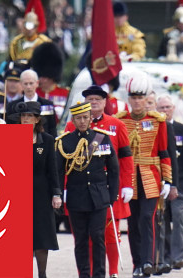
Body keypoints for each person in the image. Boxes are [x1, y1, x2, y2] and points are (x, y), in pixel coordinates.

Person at [67, 85, 135, 278]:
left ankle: (111, 271)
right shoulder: (72, 126)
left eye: (98, 99)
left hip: (108, 186)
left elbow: (125, 157)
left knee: (109, 232)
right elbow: (66, 161)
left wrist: (127, 184)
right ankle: (85, 272)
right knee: (83, 236)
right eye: (90, 100)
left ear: (105, 102)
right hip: (81, 188)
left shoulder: (117, 124)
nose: (94, 102)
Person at [116, 77, 172, 277]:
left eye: (140, 97)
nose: (137, 101)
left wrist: (168, 179)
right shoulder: (120, 120)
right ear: (129, 99)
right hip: (129, 179)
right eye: (134, 97)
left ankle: (148, 261)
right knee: (133, 223)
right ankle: (137, 263)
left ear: (146, 98)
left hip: (150, 178)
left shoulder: (157, 121)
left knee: (147, 218)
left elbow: (164, 152)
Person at [59, 100, 121, 278]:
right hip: (77, 197)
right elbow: (58, 171)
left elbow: (114, 168)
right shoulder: (65, 142)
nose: (82, 121)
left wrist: (112, 194)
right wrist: (60, 193)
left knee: (98, 236)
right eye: (78, 118)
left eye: (85, 117)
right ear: (73, 119)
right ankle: (84, 274)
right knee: (80, 240)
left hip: (99, 196)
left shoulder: (101, 137)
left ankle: (99, 274)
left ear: (90, 118)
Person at [16, 100, 62, 278]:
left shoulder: (47, 140)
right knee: (21, 236)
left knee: (41, 235)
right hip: (17, 192)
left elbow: (52, 169)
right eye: (23, 116)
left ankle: (42, 273)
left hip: (41, 193)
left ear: (36, 119)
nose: (26, 119)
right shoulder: (10, 137)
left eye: (29, 116)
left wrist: (56, 193)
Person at [157, 95, 183, 271]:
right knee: (162, 220)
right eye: (161, 108)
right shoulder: (154, 129)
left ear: (173, 109)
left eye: (167, 107)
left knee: (179, 218)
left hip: (180, 182)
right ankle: (165, 255)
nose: (165, 111)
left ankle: (178, 256)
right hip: (159, 183)